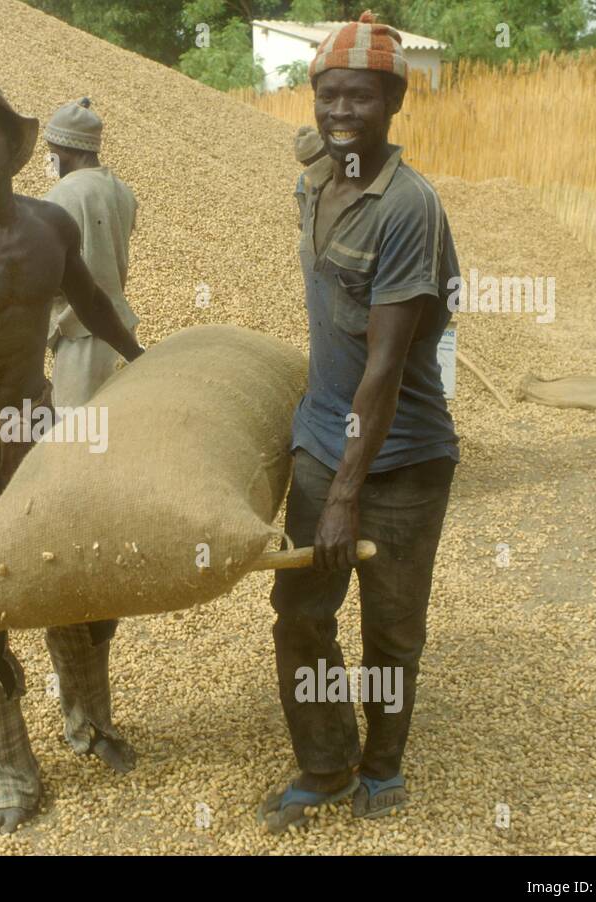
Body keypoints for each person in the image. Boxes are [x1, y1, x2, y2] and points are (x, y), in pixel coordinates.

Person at [0, 73, 143, 834]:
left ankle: (90, 723)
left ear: (13, 144)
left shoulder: (51, 227)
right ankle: (10, 775)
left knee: (67, 578)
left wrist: (142, 357)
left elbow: (93, 300)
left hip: (33, 418)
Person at [258, 11, 461, 832]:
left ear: (395, 101)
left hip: (402, 460)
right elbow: (316, 152)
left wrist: (345, 494)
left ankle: (382, 764)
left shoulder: (408, 207)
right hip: (319, 444)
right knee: (301, 614)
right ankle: (325, 763)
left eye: (361, 97)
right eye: (327, 94)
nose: (341, 111)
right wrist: (325, 472)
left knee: (392, 630)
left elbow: (384, 369)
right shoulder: (318, 177)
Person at [42, 96, 139, 407]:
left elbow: (55, 274)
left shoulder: (63, 194)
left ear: (69, 147)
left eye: (52, 152)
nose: (50, 161)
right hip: (120, 330)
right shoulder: (122, 191)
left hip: (80, 333)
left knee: (76, 438)